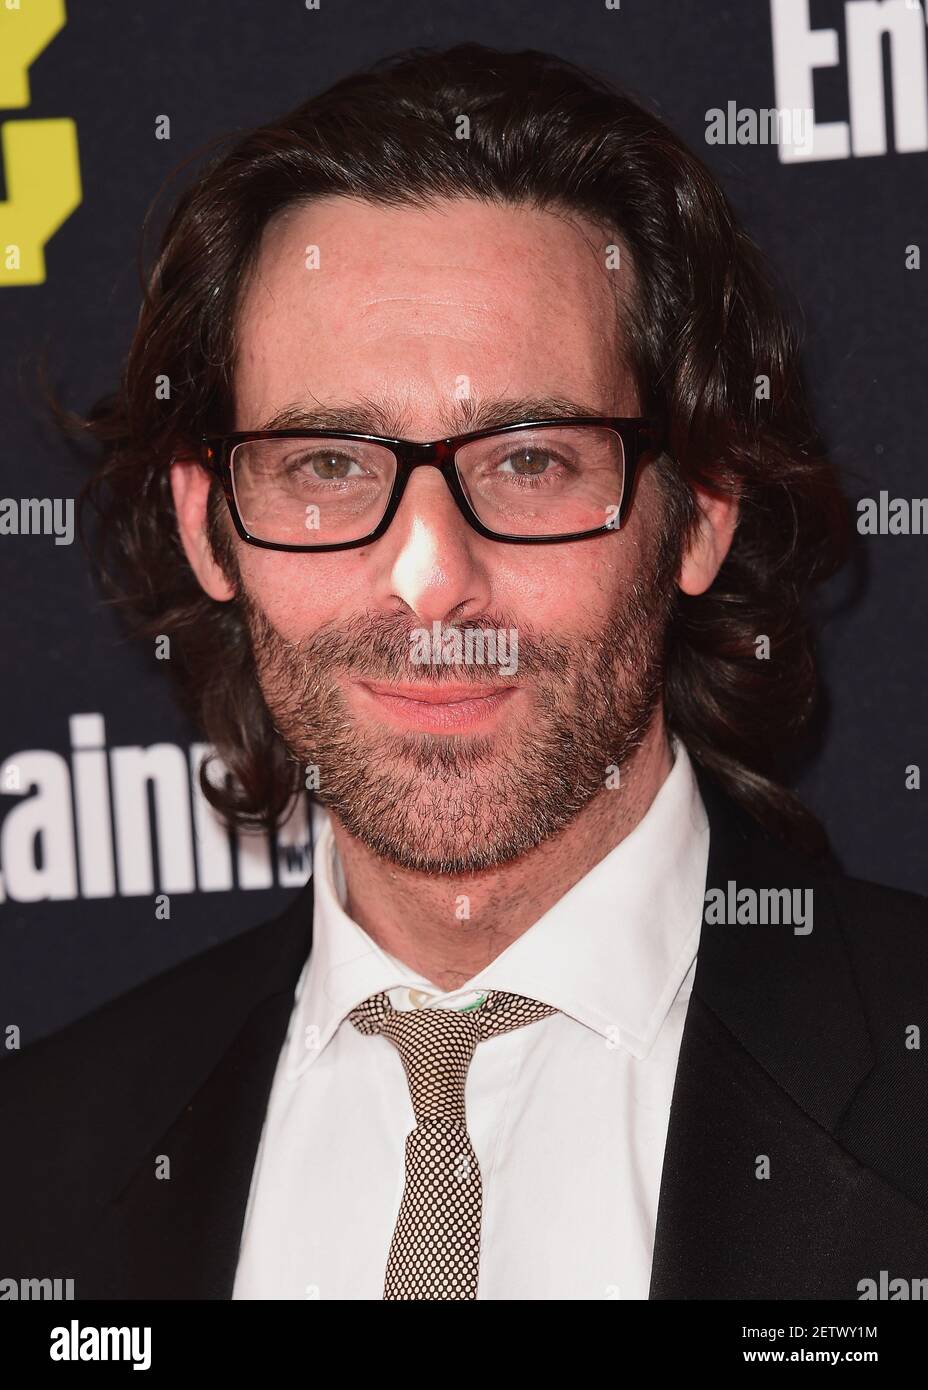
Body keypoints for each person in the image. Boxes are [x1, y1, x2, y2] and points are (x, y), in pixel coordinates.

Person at [3, 43, 927, 1301]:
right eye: (327, 465)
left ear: (701, 508)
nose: (429, 578)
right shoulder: (42, 1165)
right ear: (207, 523)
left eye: (531, 461)